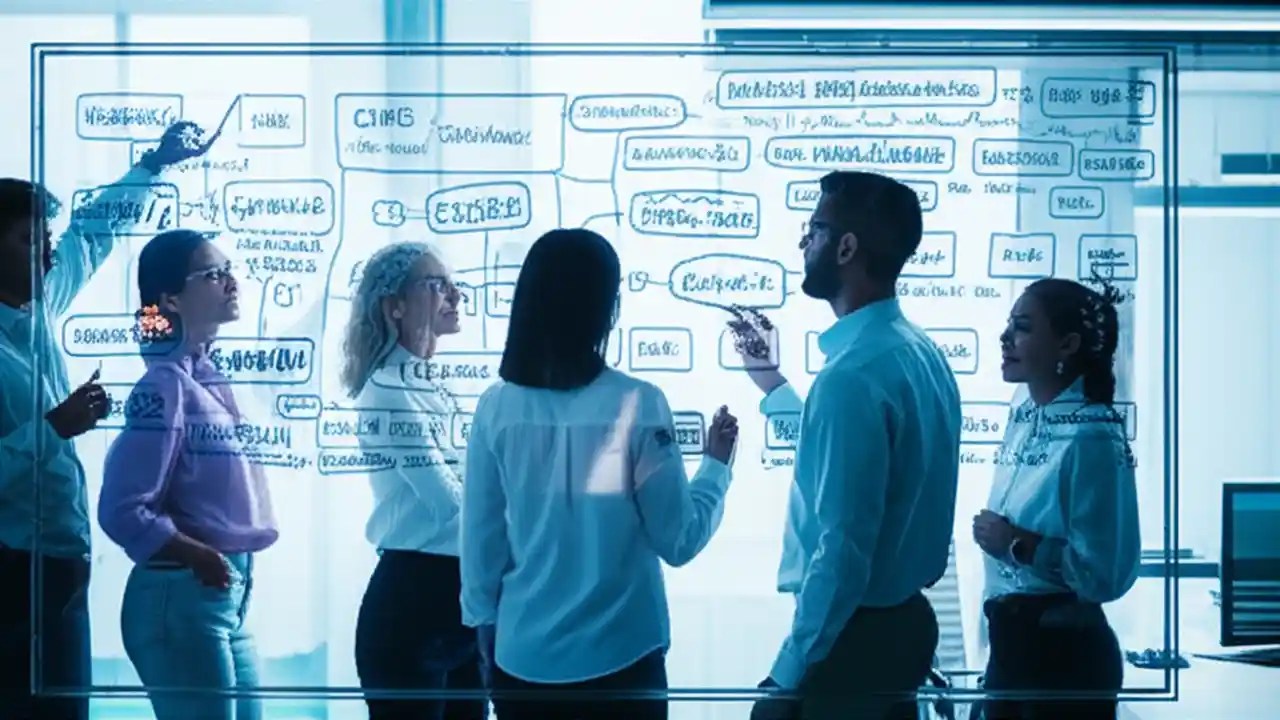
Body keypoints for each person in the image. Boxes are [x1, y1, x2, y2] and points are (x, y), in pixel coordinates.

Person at [459, 228, 739, 720]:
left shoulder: (495, 408)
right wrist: (716, 466)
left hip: (523, 663)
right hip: (623, 665)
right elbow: (678, 540)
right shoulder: (639, 403)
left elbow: (480, 543)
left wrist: (485, 629)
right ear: (605, 308)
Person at [0, 121, 218, 720]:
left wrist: (154, 163)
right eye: (28, 239)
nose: (47, 250)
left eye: (44, 236)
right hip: (11, 570)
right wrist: (54, 428)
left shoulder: (40, 302)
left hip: (62, 564)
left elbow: (92, 235)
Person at [735, 171, 962, 720]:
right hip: (899, 628)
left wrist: (786, 678)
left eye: (814, 229)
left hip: (852, 644)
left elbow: (842, 550)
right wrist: (772, 382)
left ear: (846, 246)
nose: (803, 242)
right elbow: (850, 462)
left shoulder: (853, 377)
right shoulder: (918, 354)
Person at [97, 229, 278, 720]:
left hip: (222, 598)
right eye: (214, 274)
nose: (232, 281)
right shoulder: (163, 384)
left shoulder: (208, 378)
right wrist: (197, 555)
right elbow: (121, 509)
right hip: (181, 596)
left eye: (228, 270)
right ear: (171, 299)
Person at [971, 277, 1139, 720]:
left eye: (1023, 327)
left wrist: (1015, 543)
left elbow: (1104, 574)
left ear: (1067, 345)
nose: (1005, 337)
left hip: (1061, 662)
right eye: (1010, 324)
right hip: (1014, 649)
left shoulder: (1092, 434)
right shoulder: (1024, 411)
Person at [339, 241, 487, 720]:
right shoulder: (386, 391)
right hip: (414, 605)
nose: (456, 295)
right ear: (394, 306)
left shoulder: (434, 386)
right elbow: (449, 503)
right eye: (436, 285)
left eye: (453, 283)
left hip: (461, 603)